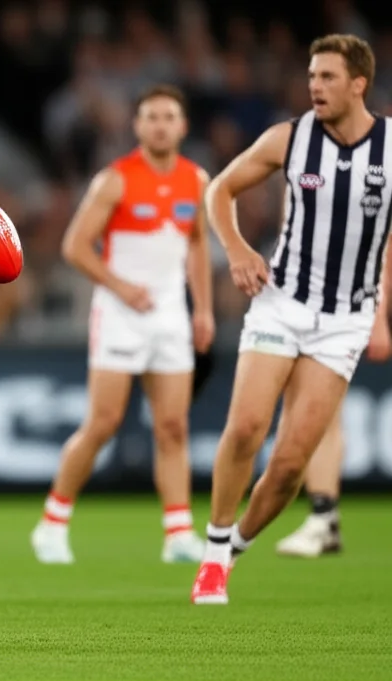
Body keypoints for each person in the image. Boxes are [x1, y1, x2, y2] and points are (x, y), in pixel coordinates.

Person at [191, 34, 392, 604]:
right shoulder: (291, 138)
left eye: (327, 77)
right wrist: (235, 248)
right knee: (248, 426)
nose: (314, 86)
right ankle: (212, 552)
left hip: (345, 320)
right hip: (284, 300)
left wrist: (381, 313)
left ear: (359, 84)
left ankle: (233, 552)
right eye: (310, 76)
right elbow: (219, 190)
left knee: (287, 468)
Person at [30, 84, 215, 564]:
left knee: (173, 426)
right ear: (137, 126)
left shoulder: (196, 181)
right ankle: (53, 521)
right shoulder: (115, 180)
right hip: (119, 314)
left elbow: (196, 246)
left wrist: (203, 309)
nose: (159, 124)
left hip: (170, 314)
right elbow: (74, 246)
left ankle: (178, 534)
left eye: (168, 116)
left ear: (182, 126)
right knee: (104, 422)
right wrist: (119, 286)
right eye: (150, 116)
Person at [275, 311, 391, 557]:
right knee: (304, 410)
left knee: (321, 413)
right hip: (294, 306)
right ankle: (324, 518)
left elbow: (381, 271)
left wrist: (379, 320)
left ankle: (323, 516)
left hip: (336, 311)